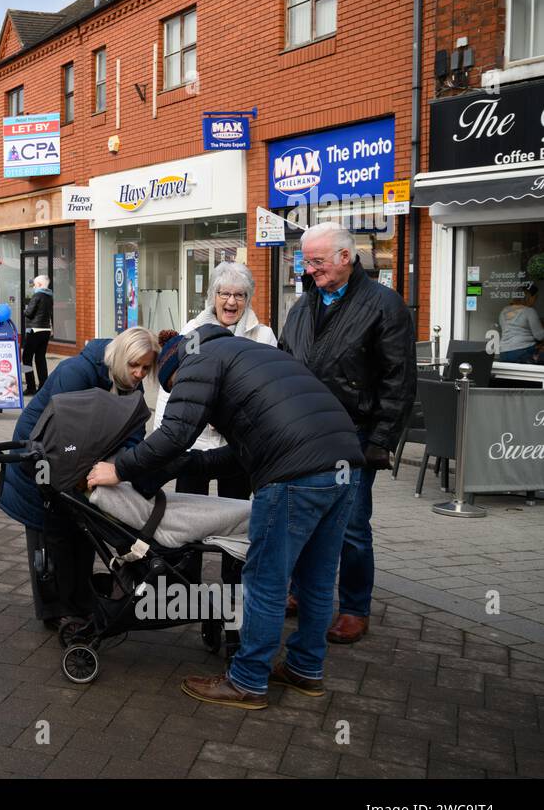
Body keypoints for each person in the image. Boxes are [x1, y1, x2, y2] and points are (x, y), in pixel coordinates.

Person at [92, 326, 364, 709]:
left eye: (168, 384)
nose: (173, 389)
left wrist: (118, 469)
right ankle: (305, 668)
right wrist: (190, 464)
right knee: (315, 580)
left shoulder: (193, 362)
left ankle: (248, 680)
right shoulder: (243, 353)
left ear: (170, 364)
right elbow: (240, 452)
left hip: (295, 475)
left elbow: (175, 433)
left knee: (266, 581)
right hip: (344, 466)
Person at [279, 222, 415, 644]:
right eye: (306, 261)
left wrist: (381, 441)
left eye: (317, 261)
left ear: (345, 257)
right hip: (305, 434)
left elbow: (399, 379)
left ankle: (355, 607)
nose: (310, 268)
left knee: (352, 526)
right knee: (301, 518)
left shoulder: (383, 304)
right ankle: (302, 592)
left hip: (355, 435)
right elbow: (286, 359)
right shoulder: (304, 304)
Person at [0, 326, 159, 632]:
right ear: (120, 357)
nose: (139, 374)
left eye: (145, 368)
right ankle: (56, 609)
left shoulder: (130, 386)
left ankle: (78, 601)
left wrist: (123, 465)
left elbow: (133, 433)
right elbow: (64, 430)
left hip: (79, 463)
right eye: (134, 365)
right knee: (50, 533)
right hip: (41, 457)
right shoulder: (76, 372)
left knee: (83, 530)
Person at [154, 262, 276, 500]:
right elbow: (171, 390)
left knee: (233, 508)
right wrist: (165, 439)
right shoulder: (192, 331)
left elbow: (266, 393)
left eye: (239, 295)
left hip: (237, 444)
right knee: (188, 507)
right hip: (195, 440)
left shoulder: (263, 336)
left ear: (248, 299)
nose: (231, 302)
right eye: (225, 294)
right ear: (213, 297)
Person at [22, 275, 55, 395]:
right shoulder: (49, 297)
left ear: (40, 285)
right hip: (45, 330)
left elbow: (29, 313)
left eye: (35, 284)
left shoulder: (37, 295)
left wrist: (25, 310)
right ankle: (43, 386)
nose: (34, 287)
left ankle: (31, 387)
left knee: (26, 358)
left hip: (34, 330)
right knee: (40, 358)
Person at [497, 281, 544, 364]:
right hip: (523, 352)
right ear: (530, 297)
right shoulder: (529, 311)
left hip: (503, 352)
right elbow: (539, 336)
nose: (535, 301)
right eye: (535, 297)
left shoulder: (503, 311)